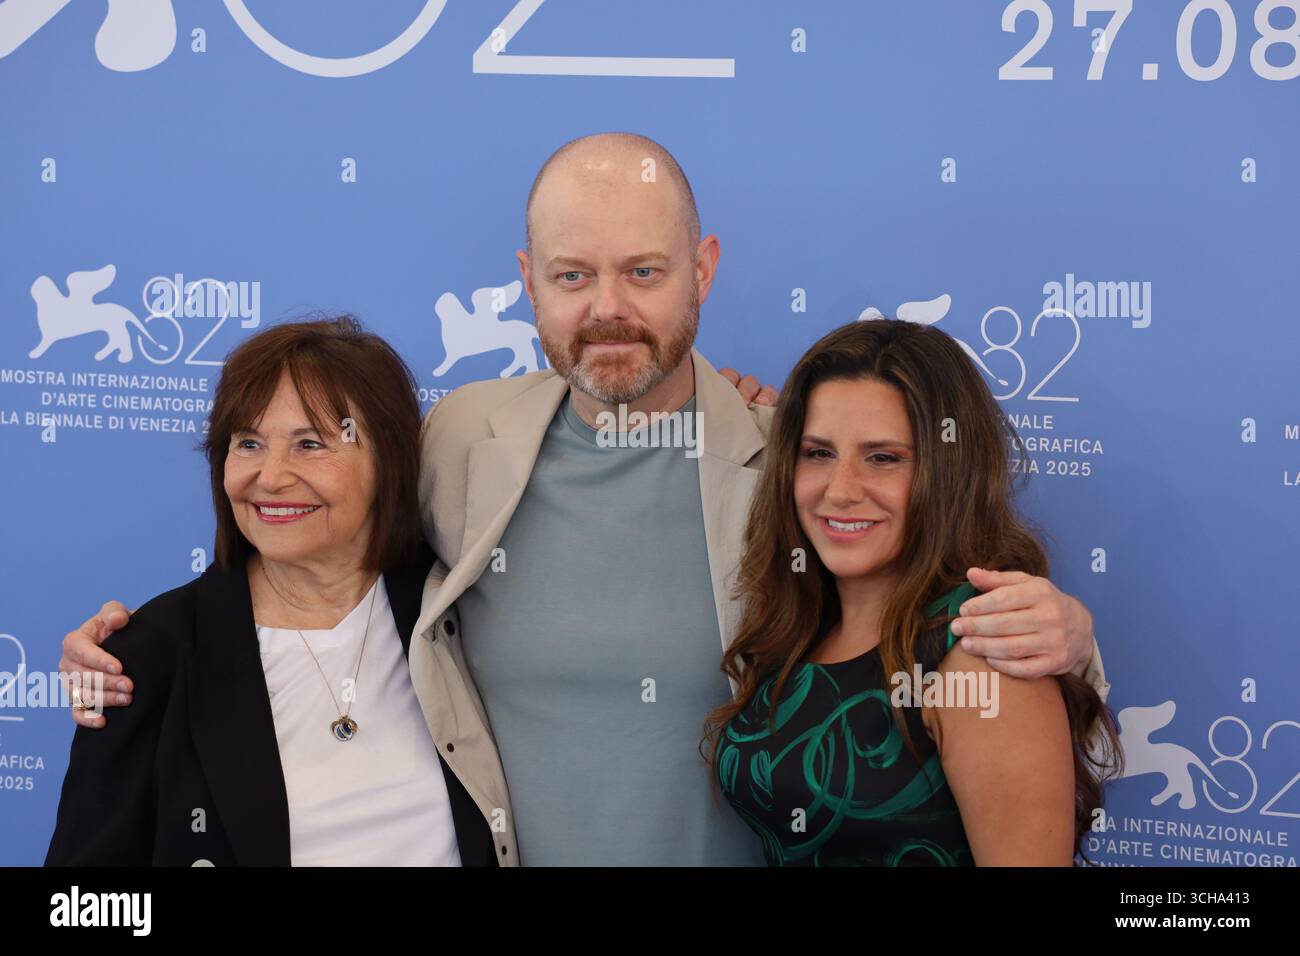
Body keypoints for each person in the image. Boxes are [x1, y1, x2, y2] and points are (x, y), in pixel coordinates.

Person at [61, 132, 1108, 866]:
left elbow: (925, 609)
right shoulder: (463, 439)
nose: (607, 309)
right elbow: (318, 519)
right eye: (572, 276)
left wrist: (1069, 634)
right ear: (527, 281)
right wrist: (142, 647)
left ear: (702, 269)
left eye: (643, 270)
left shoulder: (784, 451)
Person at [47, 317, 498, 866]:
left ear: (390, 462)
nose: (272, 476)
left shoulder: (463, 610)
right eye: (248, 443)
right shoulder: (146, 657)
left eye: (310, 444)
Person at [706, 319, 1122, 866]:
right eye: (818, 453)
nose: (841, 490)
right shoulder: (798, 623)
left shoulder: (981, 652)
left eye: (884, 457)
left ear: (948, 472)